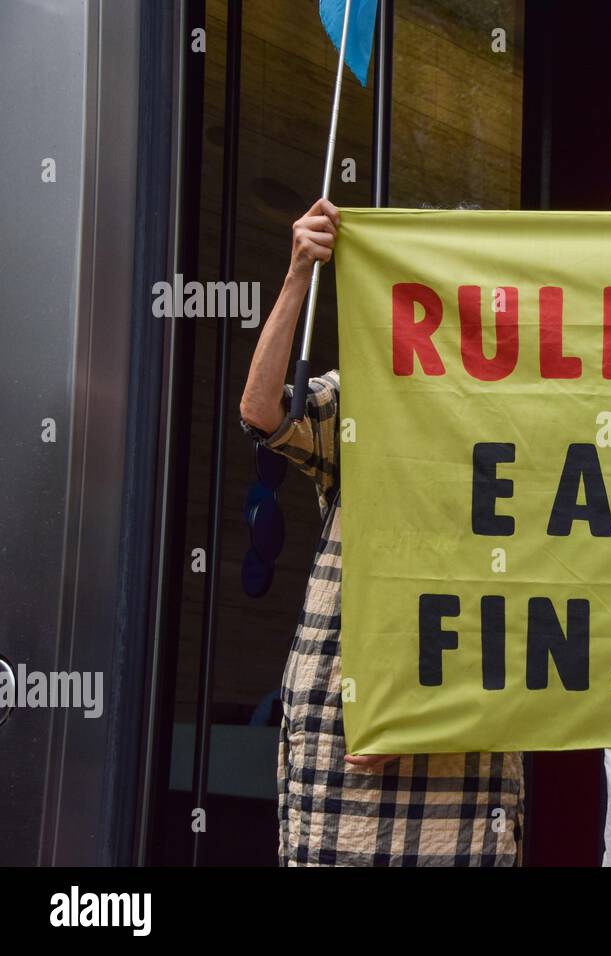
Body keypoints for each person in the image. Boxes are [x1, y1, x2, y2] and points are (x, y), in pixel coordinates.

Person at [239, 198, 523, 866]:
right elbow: (262, 411)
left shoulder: (526, 404)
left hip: (468, 716)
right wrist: (297, 275)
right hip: (356, 710)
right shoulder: (370, 392)